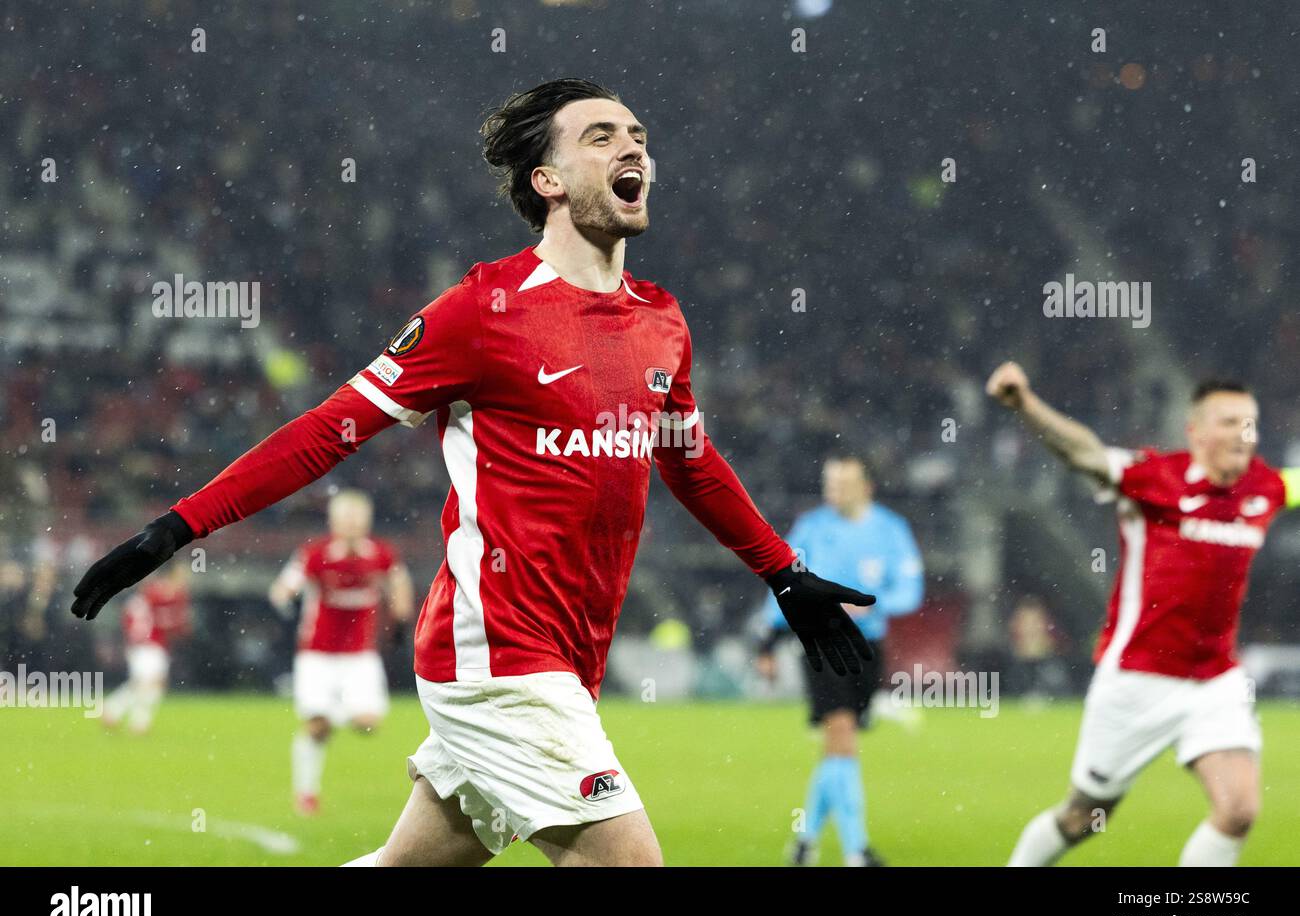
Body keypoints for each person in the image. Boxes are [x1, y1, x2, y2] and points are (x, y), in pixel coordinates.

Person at [70, 78, 874, 867]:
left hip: (570, 656)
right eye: (601, 136)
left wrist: (783, 572)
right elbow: (329, 431)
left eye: (638, 136)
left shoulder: (661, 321)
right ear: (547, 181)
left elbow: (691, 466)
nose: (632, 146)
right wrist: (177, 527)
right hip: (498, 655)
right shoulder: (484, 310)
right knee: (627, 860)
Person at [988, 362, 1300, 866]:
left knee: (1239, 808)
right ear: (1195, 430)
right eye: (1229, 421)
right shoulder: (1157, 476)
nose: (1244, 434)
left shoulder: (1265, 488)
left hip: (1216, 680)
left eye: (1251, 423)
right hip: (1138, 680)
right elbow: (1083, 452)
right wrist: (1025, 403)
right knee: (1085, 818)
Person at [757, 455, 923, 866]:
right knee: (843, 735)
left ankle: (805, 842)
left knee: (837, 747)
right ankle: (856, 850)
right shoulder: (812, 528)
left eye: (843, 483)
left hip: (868, 649)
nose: (834, 491)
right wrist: (767, 639)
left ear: (866, 487)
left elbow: (910, 589)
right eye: (830, 483)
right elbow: (784, 581)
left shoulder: (891, 530)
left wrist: (873, 605)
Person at [269, 489, 414, 815]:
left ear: (367, 519)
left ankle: (327, 712)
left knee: (367, 724)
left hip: (360, 655)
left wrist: (402, 620)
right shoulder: (314, 554)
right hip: (317, 654)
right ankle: (306, 794)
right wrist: (288, 601)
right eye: (344, 516)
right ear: (333, 520)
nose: (350, 522)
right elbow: (281, 590)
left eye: (356, 516)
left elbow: (399, 584)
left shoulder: (382, 554)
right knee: (317, 727)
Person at [102, 560, 192, 734]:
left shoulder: (162, 594)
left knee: (145, 684)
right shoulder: (159, 594)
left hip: (146, 645)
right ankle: (134, 720)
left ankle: (116, 712)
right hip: (149, 645)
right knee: (150, 684)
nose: (185, 579)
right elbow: (165, 621)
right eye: (182, 574)